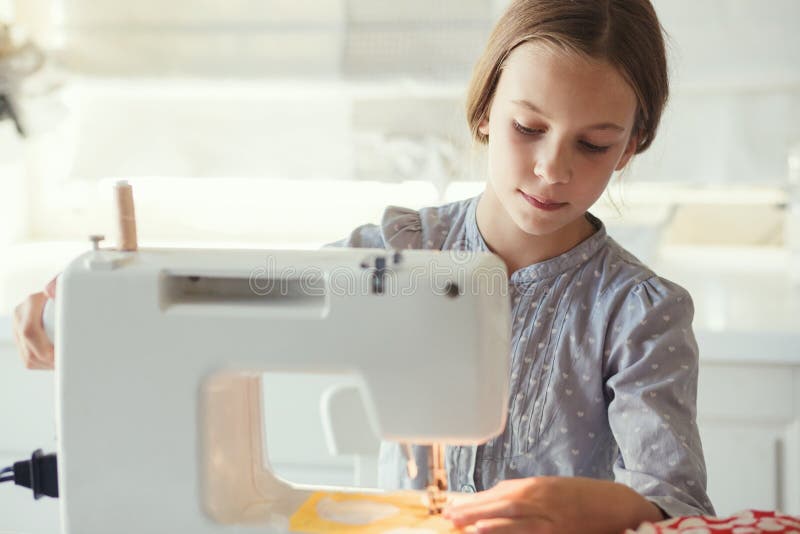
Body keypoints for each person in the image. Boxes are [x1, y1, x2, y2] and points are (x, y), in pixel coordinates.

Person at [14, 0, 714, 531]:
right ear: (484, 110)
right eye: (527, 128)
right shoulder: (398, 246)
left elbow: (676, 500)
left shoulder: (641, 311)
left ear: (631, 146)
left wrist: (583, 508)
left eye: (593, 144)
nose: (552, 166)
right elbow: (249, 304)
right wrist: (96, 319)